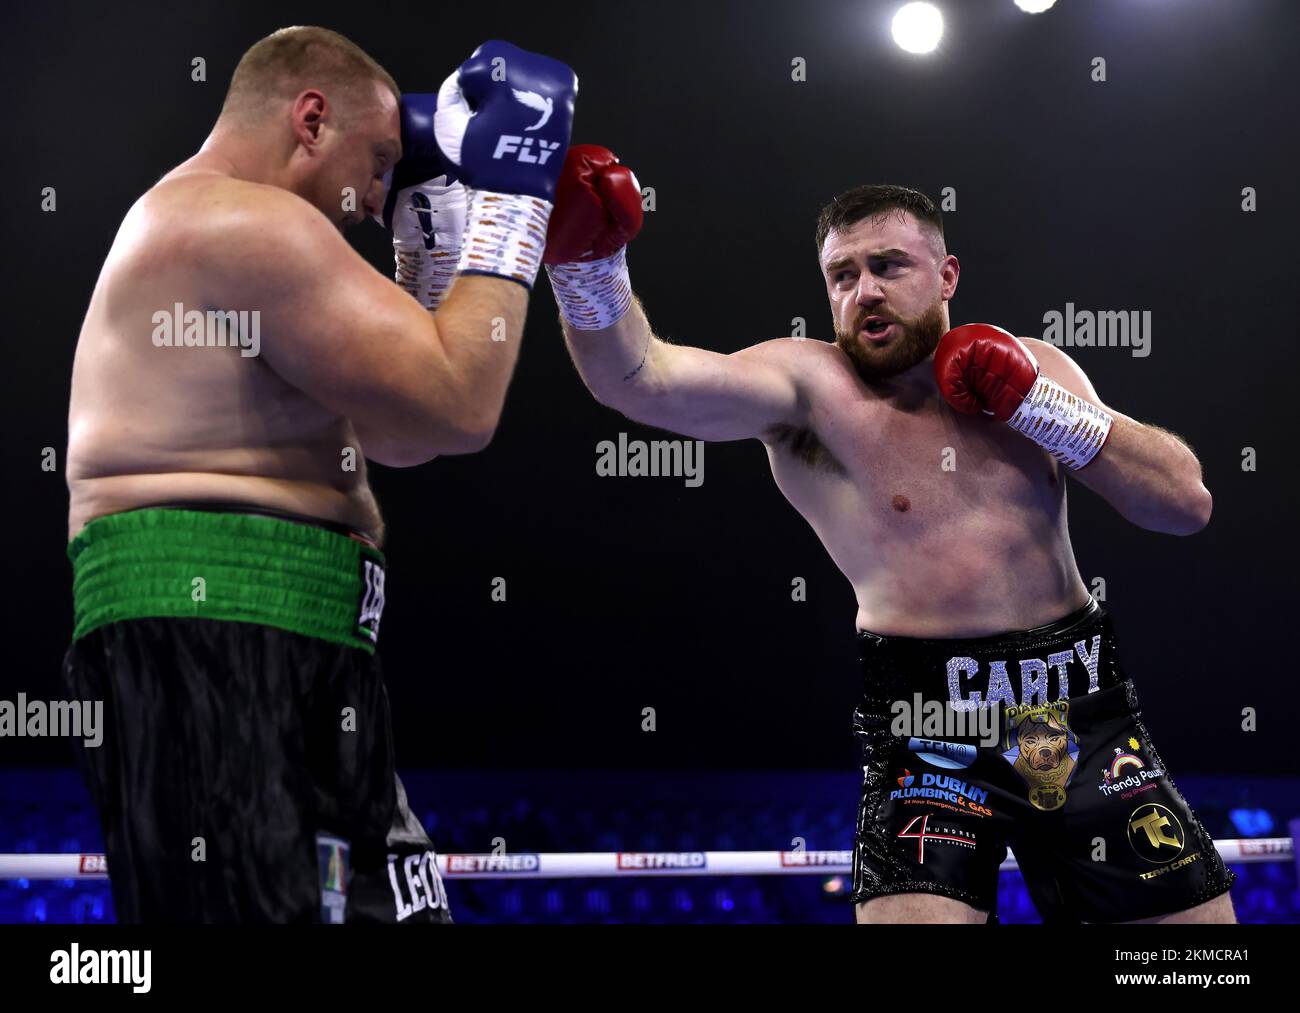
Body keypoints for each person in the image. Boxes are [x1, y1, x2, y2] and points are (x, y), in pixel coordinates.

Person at [543, 149, 1235, 924]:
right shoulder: (809, 391)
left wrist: (1041, 407)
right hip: (924, 727)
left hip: (1078, 710)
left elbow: (1184, 503)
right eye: (841, 275)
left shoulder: (1032, 366)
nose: (864, 290)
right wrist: (587, 263)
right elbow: (641, 379)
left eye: (887, 265)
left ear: (946, 276)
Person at [61, 26, 576, 922]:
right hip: (211, 637)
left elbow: (406, 431)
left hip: (292, 645)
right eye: (379, 162)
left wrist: (429, 246)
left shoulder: (240, 234)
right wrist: (511, 197)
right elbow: (463, 401)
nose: (382, 195)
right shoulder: (237, 220)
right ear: (309, 119)